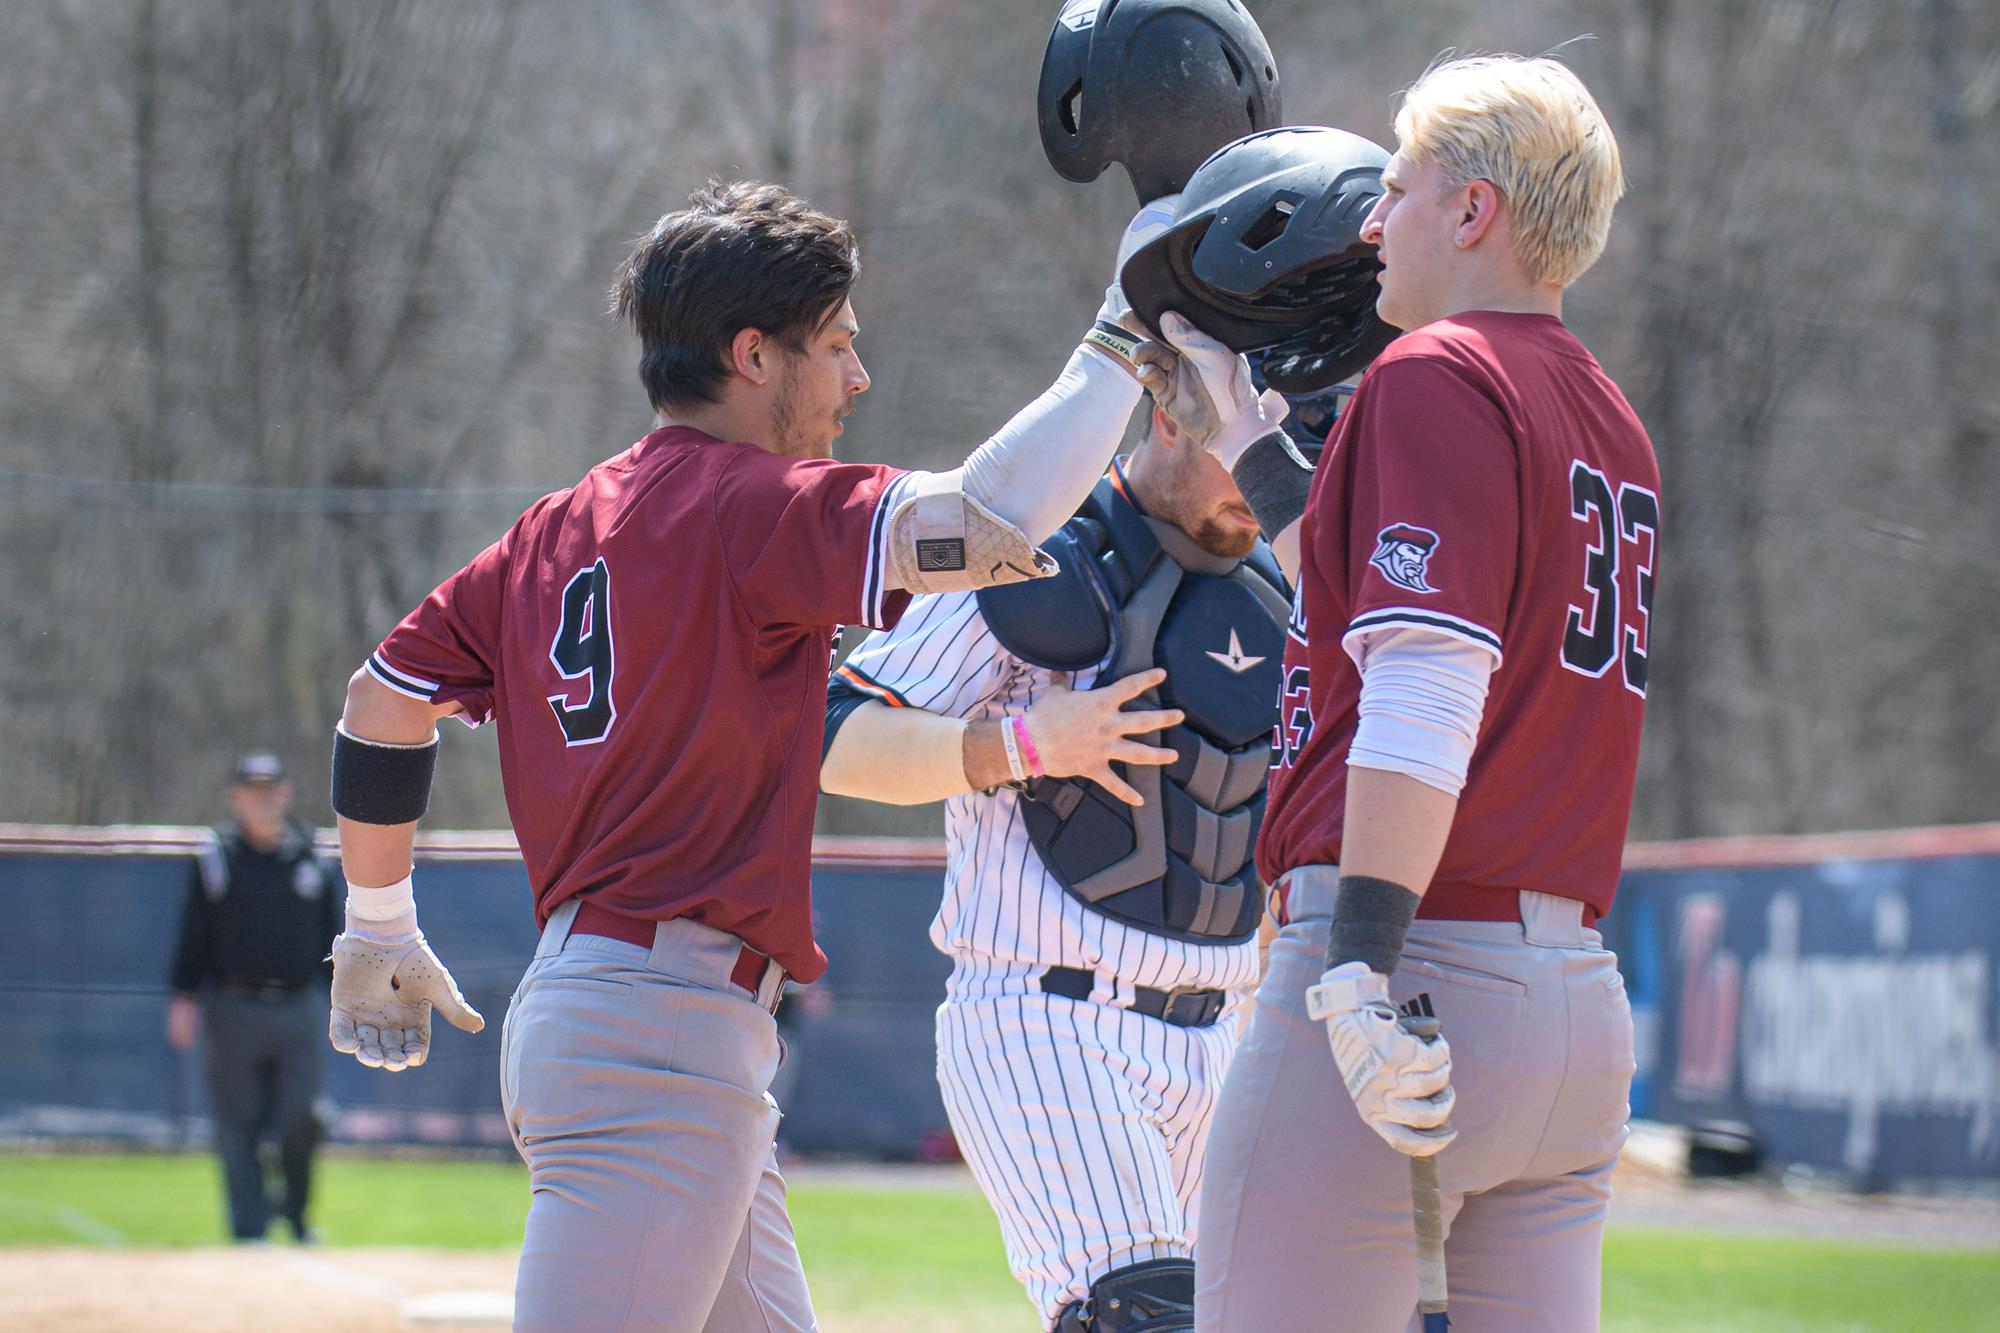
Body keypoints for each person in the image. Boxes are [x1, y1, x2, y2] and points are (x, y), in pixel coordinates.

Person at [321, 179, 1179, 1331]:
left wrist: (379, 921)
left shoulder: (554, 526)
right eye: (834, 346)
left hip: (638, 1020)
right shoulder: (749, 505)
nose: (856, 379)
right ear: (752, 356)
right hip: (656, 1035)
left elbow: (383, 699)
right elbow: (991, 521)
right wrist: (1124, 331)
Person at [1134, 53, 1659, 1330]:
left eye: (1402, 189)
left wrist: (1356, 971)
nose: (1371, 221)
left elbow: (1424, 687)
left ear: (1472, 213)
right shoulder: (1605, 414)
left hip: (1404, 963)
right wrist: (1246, 437)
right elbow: (1361, 579)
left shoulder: (1436, 373)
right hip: (1567, 1006)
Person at [821, 380, 1332, 1329]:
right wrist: (1021, 743)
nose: (1270, 480)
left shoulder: (1278, 578)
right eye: (1248, 445)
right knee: (1138, 1316)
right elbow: (832, 731)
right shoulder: (1038, 554)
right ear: (1173, 414)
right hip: (1052, 1020)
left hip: (1228, 1036)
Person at [167, 753, 338, 1243]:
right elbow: (193, 933)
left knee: (301, 1117)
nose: (263, 796)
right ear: (235, 796)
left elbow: (335, 940)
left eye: (271, 786)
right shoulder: (217, 856)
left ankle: (297, 1216)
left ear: (285, 793)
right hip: (232, 1004)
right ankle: (249, 1227)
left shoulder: (311, 855)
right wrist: (182, 996)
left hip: (299, 1005)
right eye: (252, 787)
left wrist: (341, 1004)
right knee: (236, 1122)